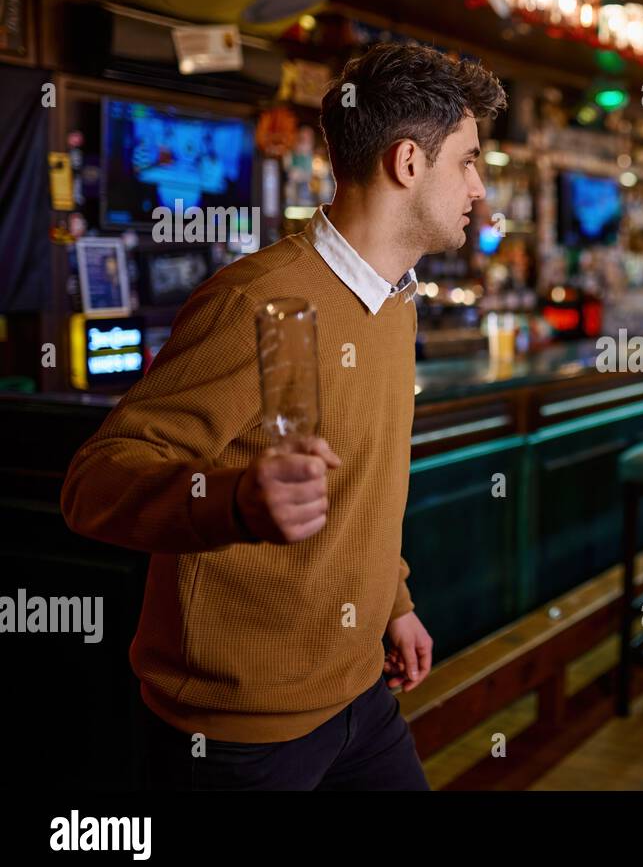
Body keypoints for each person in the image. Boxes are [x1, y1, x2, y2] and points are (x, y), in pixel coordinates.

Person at [61, 43, 507, 790]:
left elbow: (365, 485)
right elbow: (94, 484)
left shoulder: (396, 298)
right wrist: (234, 500)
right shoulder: (253, 301)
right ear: (407, 164)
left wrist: (393, 602)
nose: (479, 185)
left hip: (362, 693)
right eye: (467, 160)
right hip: (241, 729)